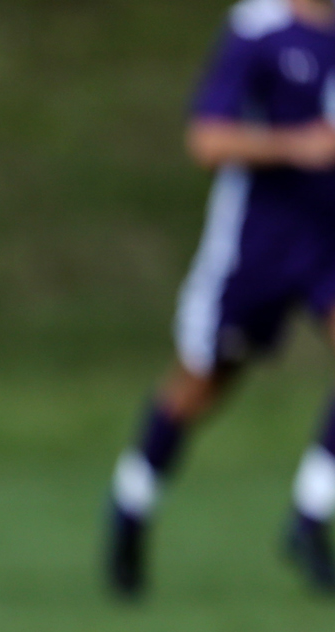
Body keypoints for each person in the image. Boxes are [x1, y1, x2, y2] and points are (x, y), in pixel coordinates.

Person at [106, 0, 335, 598]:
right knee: (202, 386)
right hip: (255, 247)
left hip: (329, 242)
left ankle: (309, 519)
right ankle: (131, 504)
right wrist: (296, 146)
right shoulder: (258, 29)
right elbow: (207, 140)